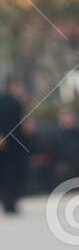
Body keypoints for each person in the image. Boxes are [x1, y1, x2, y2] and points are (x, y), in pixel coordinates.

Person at [0, 80, 27, 215]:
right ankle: (10, 203)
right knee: (10, 175)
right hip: (11, 144)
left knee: (8, 175)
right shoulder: (12, 102)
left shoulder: (13, 101)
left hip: (10, 143)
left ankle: (9, 203)